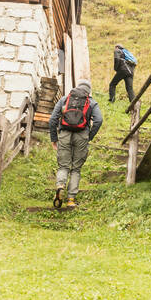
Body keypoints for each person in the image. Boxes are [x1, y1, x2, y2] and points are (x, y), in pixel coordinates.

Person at [49, 80, 102, 209]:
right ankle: (71, 199)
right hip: (82, 136)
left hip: (65, 135)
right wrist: (89, 136)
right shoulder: (91, 103)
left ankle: (60, 186)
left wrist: (54, 138)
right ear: (88, 92)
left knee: (63, 166)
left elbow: (53, 119)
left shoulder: (65, 99)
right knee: (76, 169)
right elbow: (99, 120)